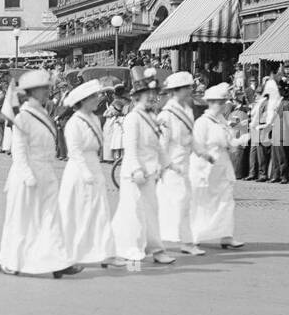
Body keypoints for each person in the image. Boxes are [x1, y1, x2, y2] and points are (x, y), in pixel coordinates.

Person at [0, 69, 82, 278]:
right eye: (43, 89)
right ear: (32, 92)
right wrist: (27, 175)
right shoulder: (23, 116)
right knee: (22, 220)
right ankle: (9, 261)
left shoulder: (42, 113)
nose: (46, 92)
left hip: (46, 172)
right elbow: (19, 150)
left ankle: (58, 261)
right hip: (27, 175)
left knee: (51, 218)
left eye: (47, 89)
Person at [111, 66, 176, 266]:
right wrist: (136, 169)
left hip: (150, 172)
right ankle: (127, 249)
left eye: (153, 94)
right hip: (134, 174)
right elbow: (130, 149)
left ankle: (156, 249)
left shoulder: (151, 117)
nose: (151, 98)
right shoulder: (132, 118)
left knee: (151, 211)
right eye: (146, 94)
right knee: (132, 212)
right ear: (136, 97)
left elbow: (157, 145)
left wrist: (168, 164)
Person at [58, 79, 119, 268]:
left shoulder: (94, 118)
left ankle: (105, 253)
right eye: (93, 97)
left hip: (94, 166)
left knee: (100, 210)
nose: (97, 100)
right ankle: (72, 253)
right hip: (79, 171)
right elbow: (74, 151)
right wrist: (85, 172)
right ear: (83, 100)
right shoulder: (74, 123)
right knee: (78, 212)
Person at [188, 83, 245, 249]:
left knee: (226, 200)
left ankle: (226, 235)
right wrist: (203, 165)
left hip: (222, 166)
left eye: (223, 102)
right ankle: (195, 234)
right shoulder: (202, 122)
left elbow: (229, 141)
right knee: (201, 202)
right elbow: (197, 146)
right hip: (205, 168)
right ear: (210, 103)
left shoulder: (221, 121)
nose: (221, 105)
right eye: (218, 102)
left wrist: (240, 140)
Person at [156, 71, 203, 256]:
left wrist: (201, 152)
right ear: (176, 91)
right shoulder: (166, 114)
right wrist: (164, 166)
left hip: (185, 162)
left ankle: (157, 239)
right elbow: (161, 144)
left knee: (174, 202)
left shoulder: (188, 110)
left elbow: (190, 137)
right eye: (187, 87)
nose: (190, 90)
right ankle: (186, 242)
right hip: (172, 164)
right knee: (179, 201)